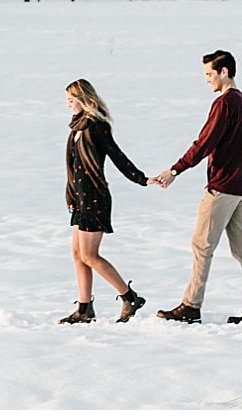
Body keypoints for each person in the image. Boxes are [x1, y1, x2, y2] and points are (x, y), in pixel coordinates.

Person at [149, 49, 242, 324]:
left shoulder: (224, 103)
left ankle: (191, 306)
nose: (206, 80)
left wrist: (175, 170)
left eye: (209, 74)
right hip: (240, 186)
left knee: (201, 244)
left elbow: (204, 142)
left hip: (224, 186)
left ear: (224, 71)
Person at [59, 78, 149, 324]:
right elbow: (74, 167)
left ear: (84, 99)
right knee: (78, 254)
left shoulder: (96, 127)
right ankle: (84, 308)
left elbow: (117, 156)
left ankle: (130, 297)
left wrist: (141, 179)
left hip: (94, 197)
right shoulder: (77, 128)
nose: (68, 105)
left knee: (89, 255)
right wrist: (71, 194)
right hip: (80, 198)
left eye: (71, 100)